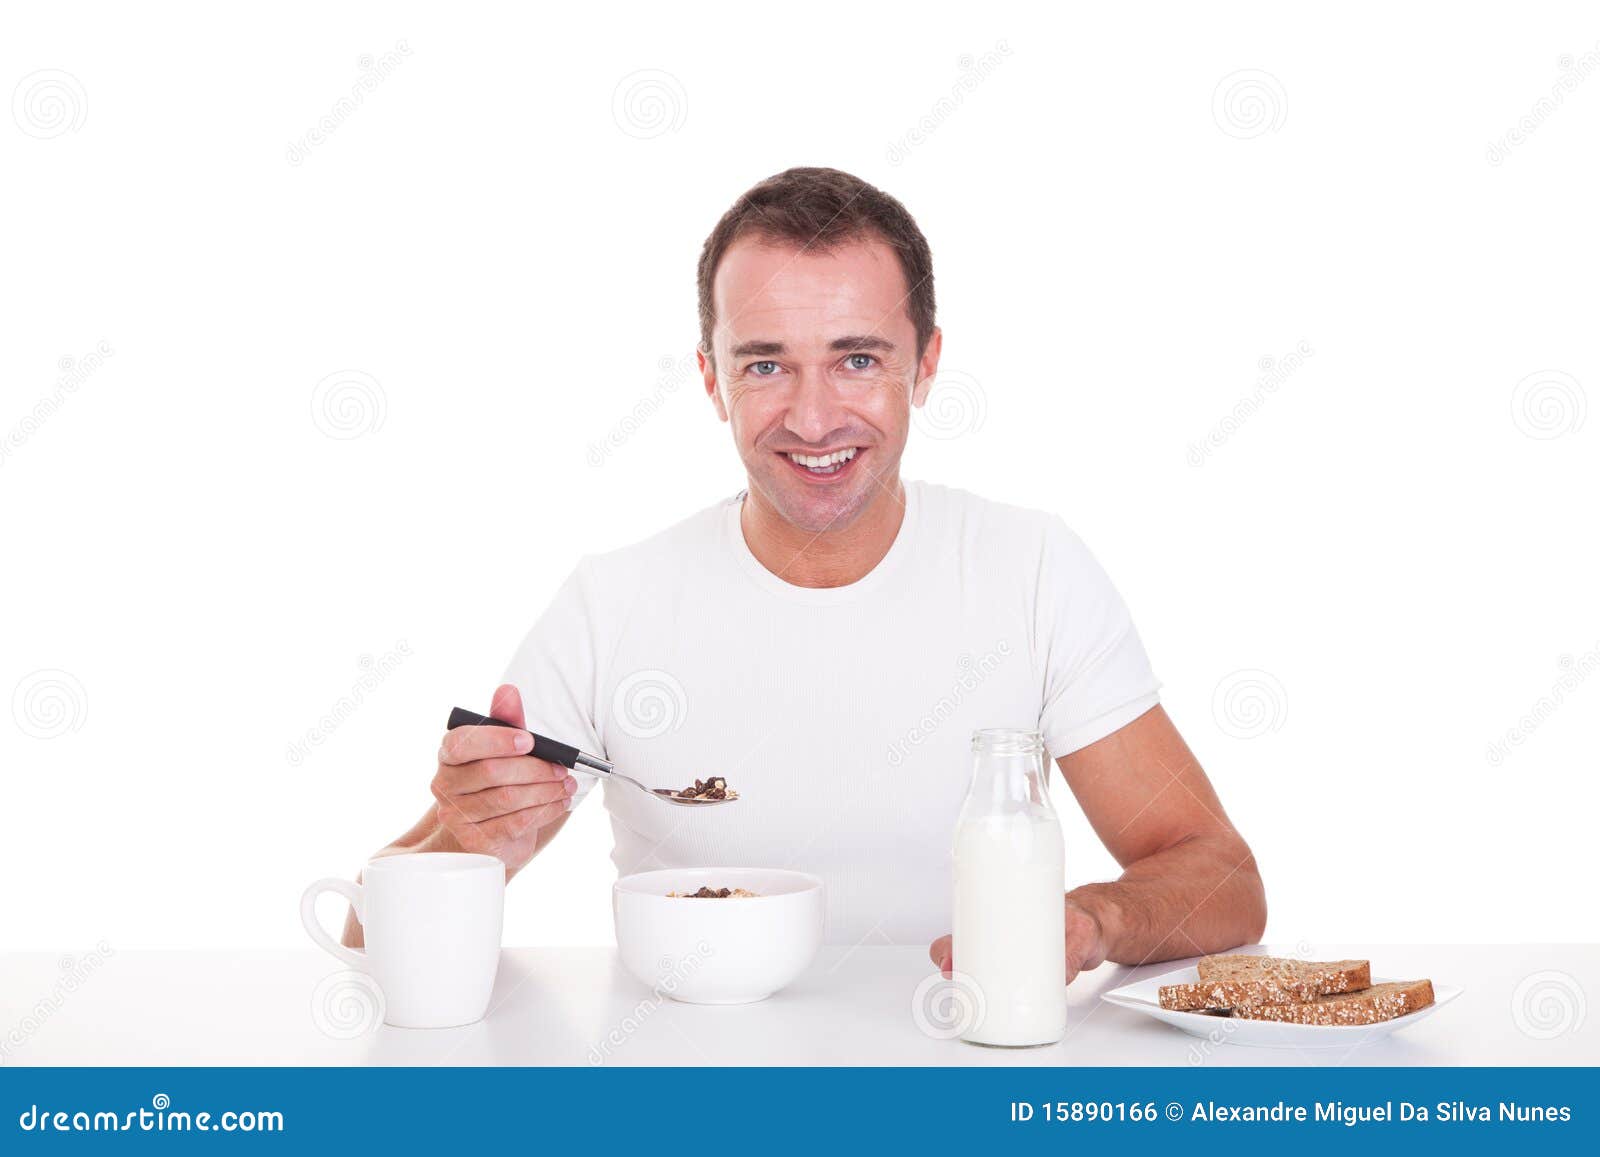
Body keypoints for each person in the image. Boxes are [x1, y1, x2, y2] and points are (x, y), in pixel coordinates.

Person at [347, 167, 1266, 983]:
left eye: (857, 360)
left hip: (973, 1065)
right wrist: (466, 837)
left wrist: (1088, 919)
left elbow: (1220, 876)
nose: (814, 418)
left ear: (926, 365)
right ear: (711, 381)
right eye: (766, 365)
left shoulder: (1031, 571)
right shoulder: (611, 605)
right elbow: (363, 934)